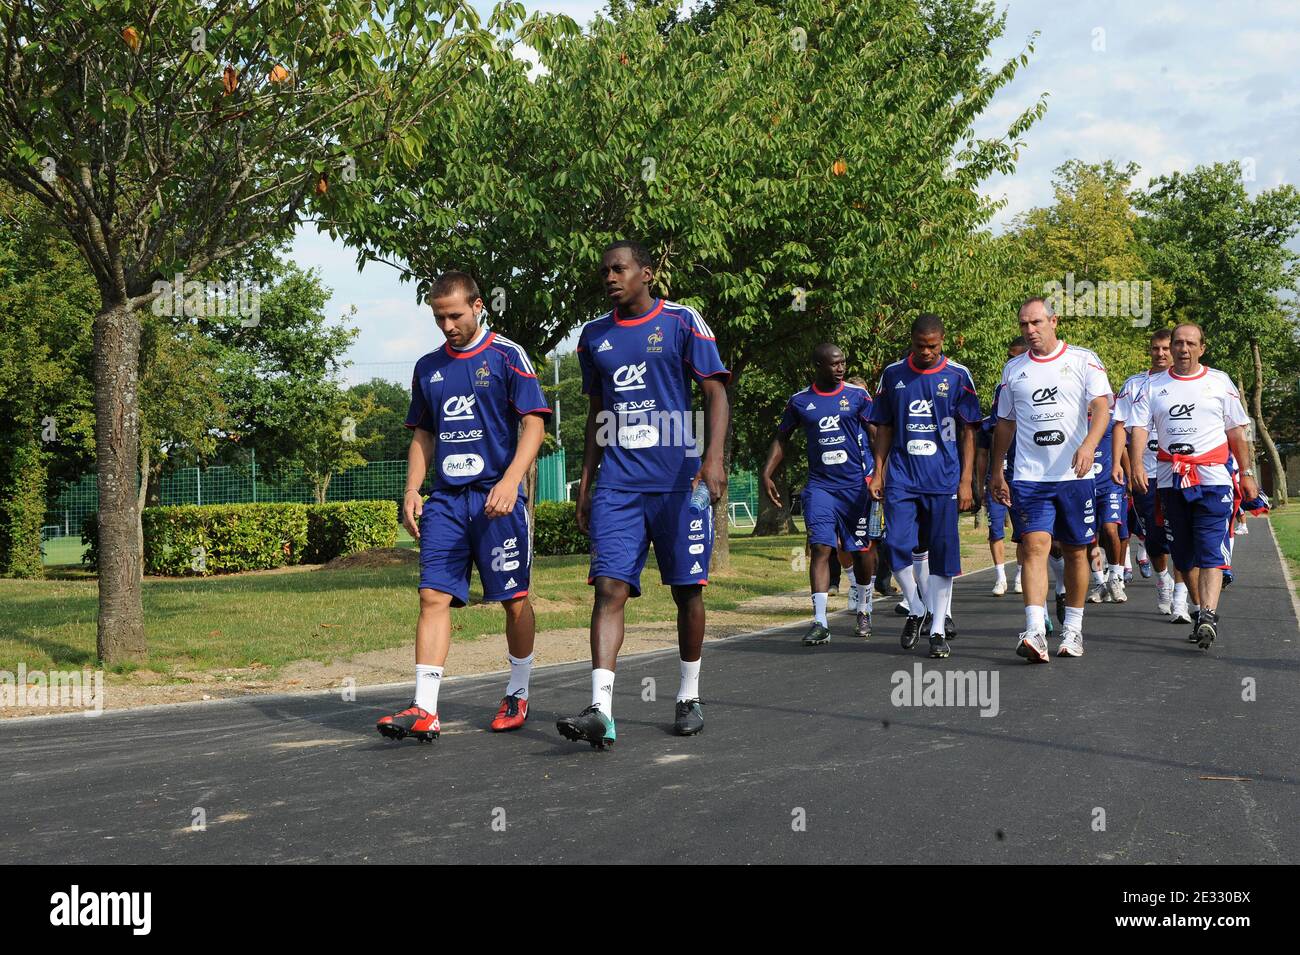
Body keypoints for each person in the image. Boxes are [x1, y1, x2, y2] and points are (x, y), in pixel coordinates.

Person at [558, 240, 730, 748]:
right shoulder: (594, 337)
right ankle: (600, 711)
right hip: (618, 484)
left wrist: (713, 459)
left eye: (620, 268)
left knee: (687, 591)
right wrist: (586, 480)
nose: (610, 277)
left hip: (680, 483)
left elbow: (715, 390)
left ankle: (688, 695)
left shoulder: (681, 322)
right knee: (608, 588)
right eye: (605, 270)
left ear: (646, 273)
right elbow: (595, 413)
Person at [378, 272, 550, 743]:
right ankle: (425, 708)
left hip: (498, 500)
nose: (447, 325)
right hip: (447, 503)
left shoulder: (507, 355)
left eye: (455, 315)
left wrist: (512, 482)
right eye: (439, 317)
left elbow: (533, 423)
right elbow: (422, 435)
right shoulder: (427, 367)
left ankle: (518, 691)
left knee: (513, 601)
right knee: (432, 597)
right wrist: (413, 490)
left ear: (478, 306)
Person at [989, 297, 1112, 662]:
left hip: (1073, 475)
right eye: (1024, 324)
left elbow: (1102, 407)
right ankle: (1035, 629)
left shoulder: (1082, 359)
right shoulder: (1013, 369)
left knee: (1075, 550)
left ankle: (1073, 629)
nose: (1029, 330)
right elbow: (1005, 423)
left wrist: (1089, 444)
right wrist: (997, 469)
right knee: (1034, 546)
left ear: (1053, 321)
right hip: (1029, 475)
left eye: (1036, 323)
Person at [1128, 322, 1258, 650]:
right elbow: (1139, 429)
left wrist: (1246, 472)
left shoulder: (1219, 382)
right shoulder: (1153, 386)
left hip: (1212, 479)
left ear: (1202, 347)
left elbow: (1236, 433)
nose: (1183, 349)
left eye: (1190, 343)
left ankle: (1209, 615)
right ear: (1170, 348)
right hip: (1170, 480)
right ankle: (1200, 610)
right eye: (1178, 343)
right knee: (1183, 557)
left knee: (1210, 549)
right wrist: (1134, 465)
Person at [869, 314, 981, 659]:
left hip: (943, 478)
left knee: (943, 556)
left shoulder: (958, 376)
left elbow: (970, 431)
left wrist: (966, 481)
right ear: (912, 341)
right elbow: (884, 426)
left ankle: (936, 629)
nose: (927, 352)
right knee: (895, 544)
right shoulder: (893, 375)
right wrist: (878, 471)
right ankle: (917, 608)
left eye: (933, 346)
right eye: (920, 346)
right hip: (902, 476)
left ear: (942, 341)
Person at [763, 344, 877, 644]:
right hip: (820, 488)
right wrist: (767, 472)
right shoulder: (801, 401)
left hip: (855, 488)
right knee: (821, 548)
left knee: (861, 551)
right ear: (817, 365)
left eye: (843, 363)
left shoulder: (857, 396)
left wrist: (881, 476)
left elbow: (878, 435)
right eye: (834, 364)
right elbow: (781, 437)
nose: (840, 368)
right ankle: (820, 621)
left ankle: (864, 608)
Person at [1112, 329, 1178, 615]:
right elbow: (1119, 425)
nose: (1161, 353)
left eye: (1166, 348)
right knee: (1153, 536)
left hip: (1178, 472)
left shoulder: (1185, 383)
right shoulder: (1134, 385)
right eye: (1155, 349)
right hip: (1145, 473)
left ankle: (1181, 596)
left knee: (1182, 534)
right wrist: (1118, 463)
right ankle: (1163, 579)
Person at [976, 337, 1029, 595]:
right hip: (998, 477)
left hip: (1023, 476)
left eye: (1015, 356)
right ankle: (1000, 577)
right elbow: (983, 453)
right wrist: (981, 481)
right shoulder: (993, 416)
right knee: (995, 527)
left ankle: (1020, 575)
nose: (1011, 361)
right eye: (1008, 356)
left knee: (1023, 531)